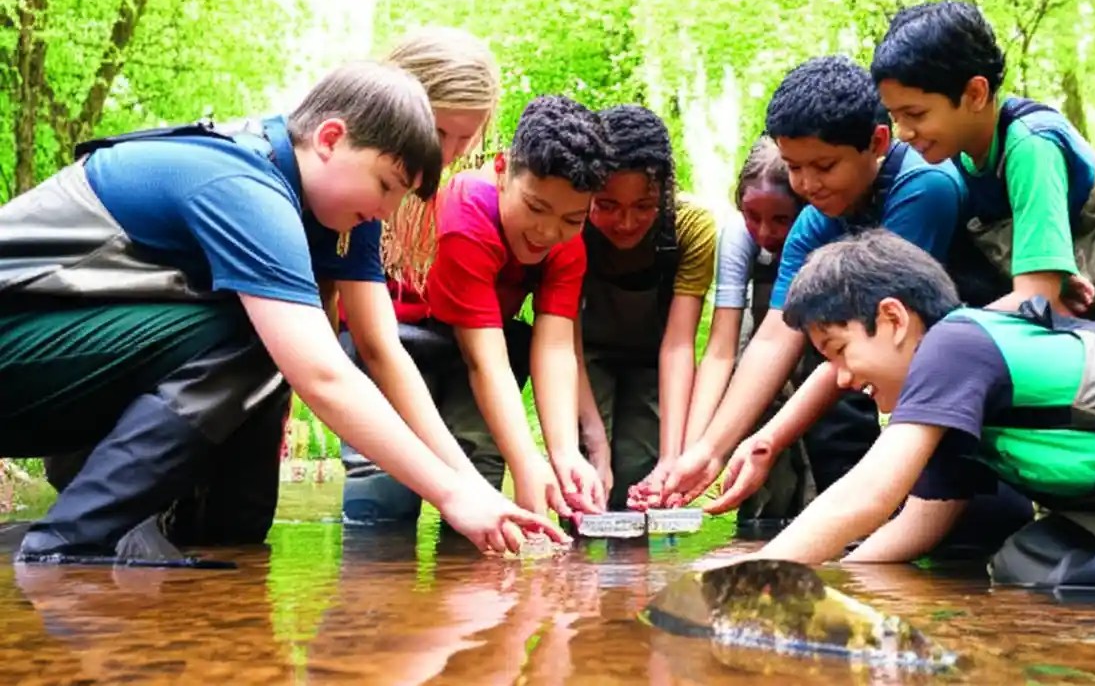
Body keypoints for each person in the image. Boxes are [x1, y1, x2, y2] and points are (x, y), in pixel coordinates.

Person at [0, 60, 564, 559]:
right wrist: (451, 495)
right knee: (263, 330)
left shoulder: (330, 205)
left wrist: (470, 489)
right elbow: (322, 373)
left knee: (236, 525)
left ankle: (162, 539)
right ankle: (73, 539)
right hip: (22, 349)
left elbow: (382, 351)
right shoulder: (244, 186)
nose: (387, 213)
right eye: (386, 186)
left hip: (67, 365)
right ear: (330, 138)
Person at [746, 229, 1095, 595]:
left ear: (893, 319)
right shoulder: (953, 396)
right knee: (1024, 561)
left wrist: (751, 575)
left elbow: (867, 496)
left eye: (839, 350)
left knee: (1094, 582)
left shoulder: (956, 344)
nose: (841, 378)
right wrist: (832, 578)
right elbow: (919, 522)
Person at [660, 55, 1006, 511]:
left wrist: (771, 437)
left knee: (976, 511)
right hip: (893, 363)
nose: (807, 184)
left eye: (824, 166)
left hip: (978, 370)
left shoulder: (925, 187)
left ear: (877, 142)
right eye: (793, 167)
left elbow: (873, 335)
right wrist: (711, 450)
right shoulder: (816, 219)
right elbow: (775, 335)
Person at [339, 30, 609, 524]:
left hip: (477, 343)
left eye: (572, 219)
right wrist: (526, 463)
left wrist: (563, 454)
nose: (549, 231)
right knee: (385, 487)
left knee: (482, 476)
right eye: (536, 209)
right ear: (504, 172)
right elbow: (480, 359)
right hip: (399, 333)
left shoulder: (565, 236)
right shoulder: (462, 213)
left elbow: (553, 348)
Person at [871, 0, 1095, 334]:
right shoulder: (962, 158)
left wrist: (933, 335)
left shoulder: (1031, 146)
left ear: (975, 94)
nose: (903, 133)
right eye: (895, 116)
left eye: (915, 114)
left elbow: (1035, 299)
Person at [574, 105, 719, 510]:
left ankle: (639, 547)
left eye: (643, 206)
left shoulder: (691, 227)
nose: (625, 223)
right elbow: (565, 343)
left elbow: (678, 344)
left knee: (641, 467)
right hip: (584, 356)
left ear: (666, 191)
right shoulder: (570, 225)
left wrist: (672, 458)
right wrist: (596, 445)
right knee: (587, 471)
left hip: (656, 360)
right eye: (607, 205)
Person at [680, 136, 814, 523]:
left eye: (781, 220)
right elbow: (720, 350)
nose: (765, 231)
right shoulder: (738, 237)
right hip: (764, 353)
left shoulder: (820, 231)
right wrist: (694, 450)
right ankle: (761, 524)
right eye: (752, 215)